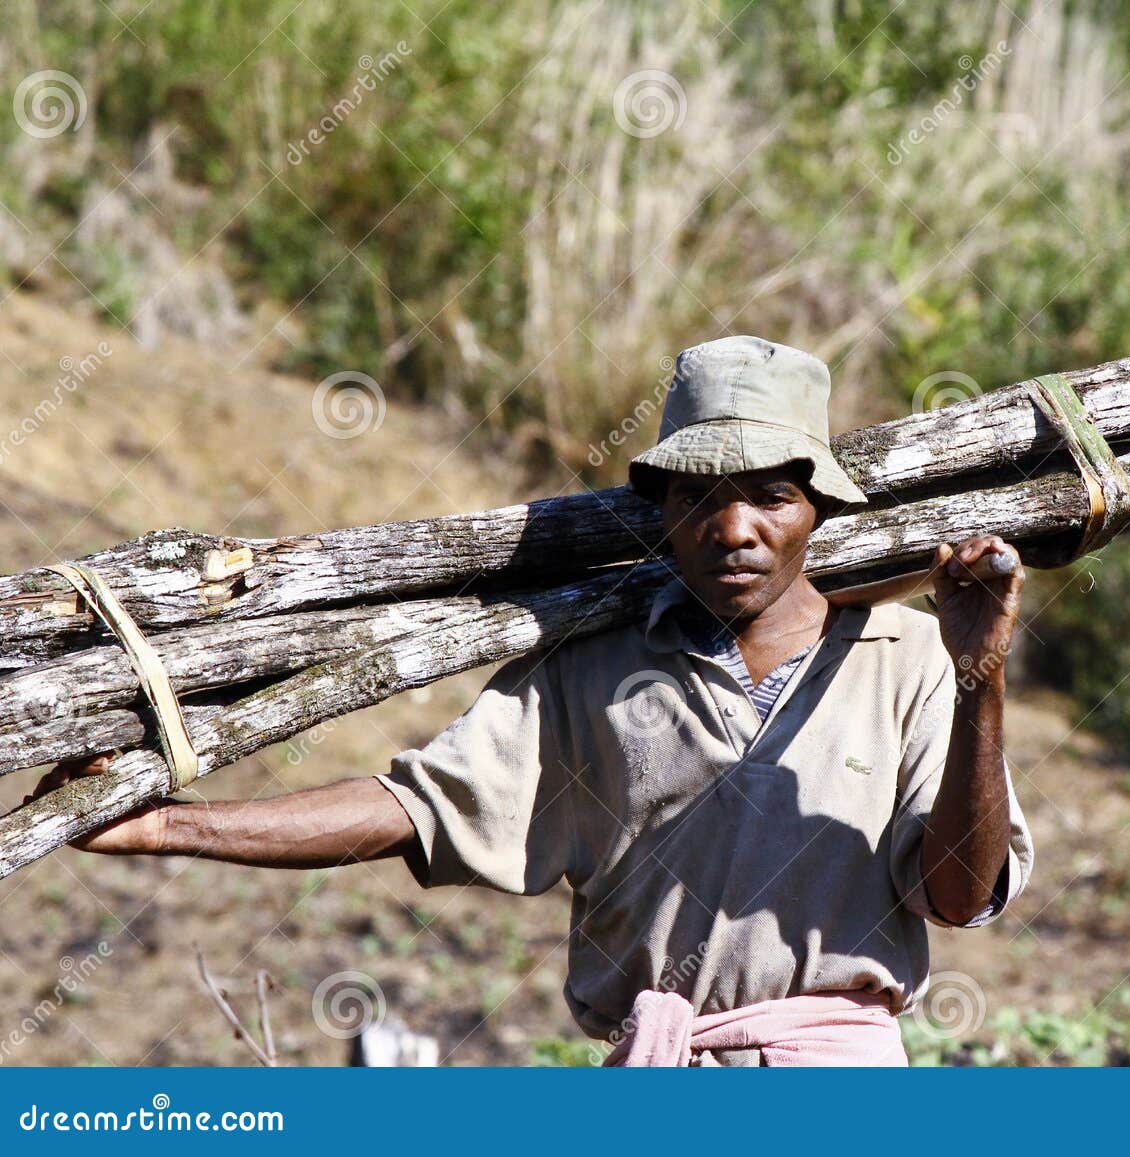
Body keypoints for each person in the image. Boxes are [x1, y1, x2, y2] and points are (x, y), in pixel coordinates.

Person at [29, 335, 1033, 1066]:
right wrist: (170, 824)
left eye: (771, 495)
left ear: (818, 509)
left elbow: (954, 894)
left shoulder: (909, 657)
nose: (733, 529)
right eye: (699, 497)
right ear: (661, 513)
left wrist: (979, 674)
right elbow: (412, 805)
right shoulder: (591, 669)